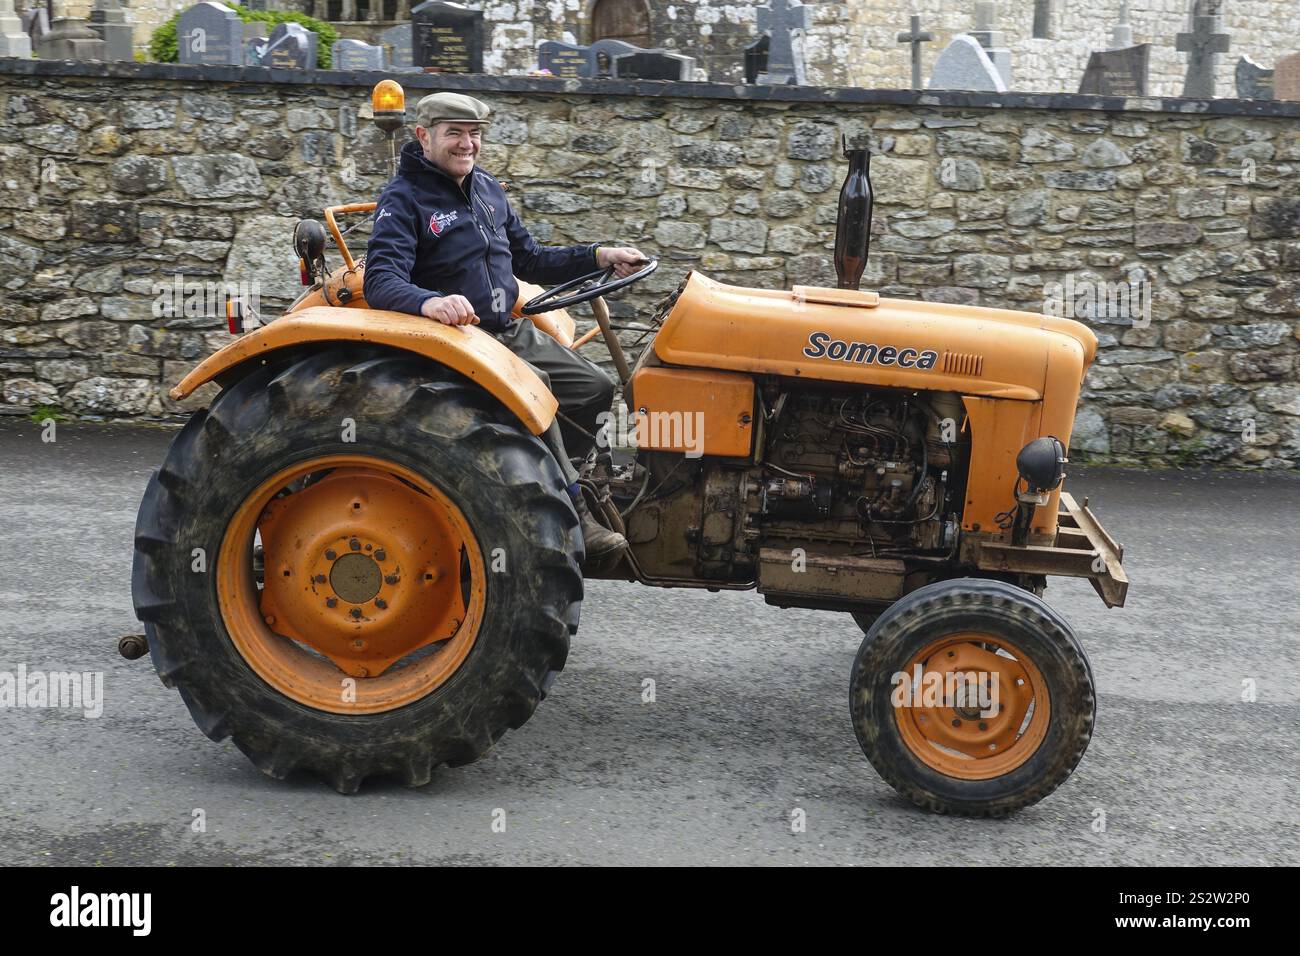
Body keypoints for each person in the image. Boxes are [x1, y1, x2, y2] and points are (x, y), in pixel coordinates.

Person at [363, 91, 643, 562]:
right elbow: (381, 280)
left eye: (474, 135)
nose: (467, 145)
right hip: (456, 338)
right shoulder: (404, 198)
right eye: (454, 133)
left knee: (592, 386)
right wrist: (430, 302)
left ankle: (556, 482)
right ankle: (574, 515)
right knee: (540, 391)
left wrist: (599, 255)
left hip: (506, 327)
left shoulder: (487, 189)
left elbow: (531, 258)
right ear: (423, 136)